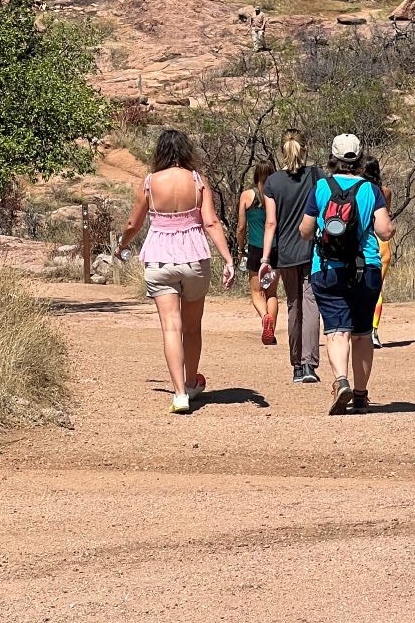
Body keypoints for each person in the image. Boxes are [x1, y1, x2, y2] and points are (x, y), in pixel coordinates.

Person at [116, 128, 234, 414]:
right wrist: (228, 259)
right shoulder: (197, 181)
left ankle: (180, 393)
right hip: (194, 260)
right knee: (192, 328)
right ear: (186, 151)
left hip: (159, 261)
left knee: (171, 327)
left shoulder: (150, 182)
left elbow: (134, 223)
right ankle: (192, 382)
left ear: (160, 152)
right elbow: (211, 222)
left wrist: (121, 246)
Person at [300, 134, 394, 414]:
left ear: (334, 158)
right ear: (359, 158)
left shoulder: (320, 188)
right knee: (363, 334)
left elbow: (305, 231)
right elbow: (384, 231)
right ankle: (362, 396)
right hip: (366, 268)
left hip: (327, 268)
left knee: (337, 330)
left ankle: (341, 381)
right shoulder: (371, 190)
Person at [262, 133, 322, 382]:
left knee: (293, 305)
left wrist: (265, 258)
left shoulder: (272, 182)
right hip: (311, 249)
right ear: (304, 149)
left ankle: (296, 366)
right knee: (311, 304)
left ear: (282, 151)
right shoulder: (316, 176)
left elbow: (271, 222)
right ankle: (309, 365)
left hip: (286, 252)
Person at [237, 161, 278, 346]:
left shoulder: (247, 196)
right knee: (272, 293)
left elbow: (241, 227)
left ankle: (264, 318)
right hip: (276, 249)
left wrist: (240, 248)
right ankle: (271, 330)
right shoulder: (277, 195)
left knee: (256, 291)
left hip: (255, 248)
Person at [363, 157, 394, 349]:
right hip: (383, 243)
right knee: (377, 290)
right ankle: (373, 330)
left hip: (366, 242)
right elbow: (384, 217)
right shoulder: (385, 192)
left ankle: (362, 329)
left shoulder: (360, 192)